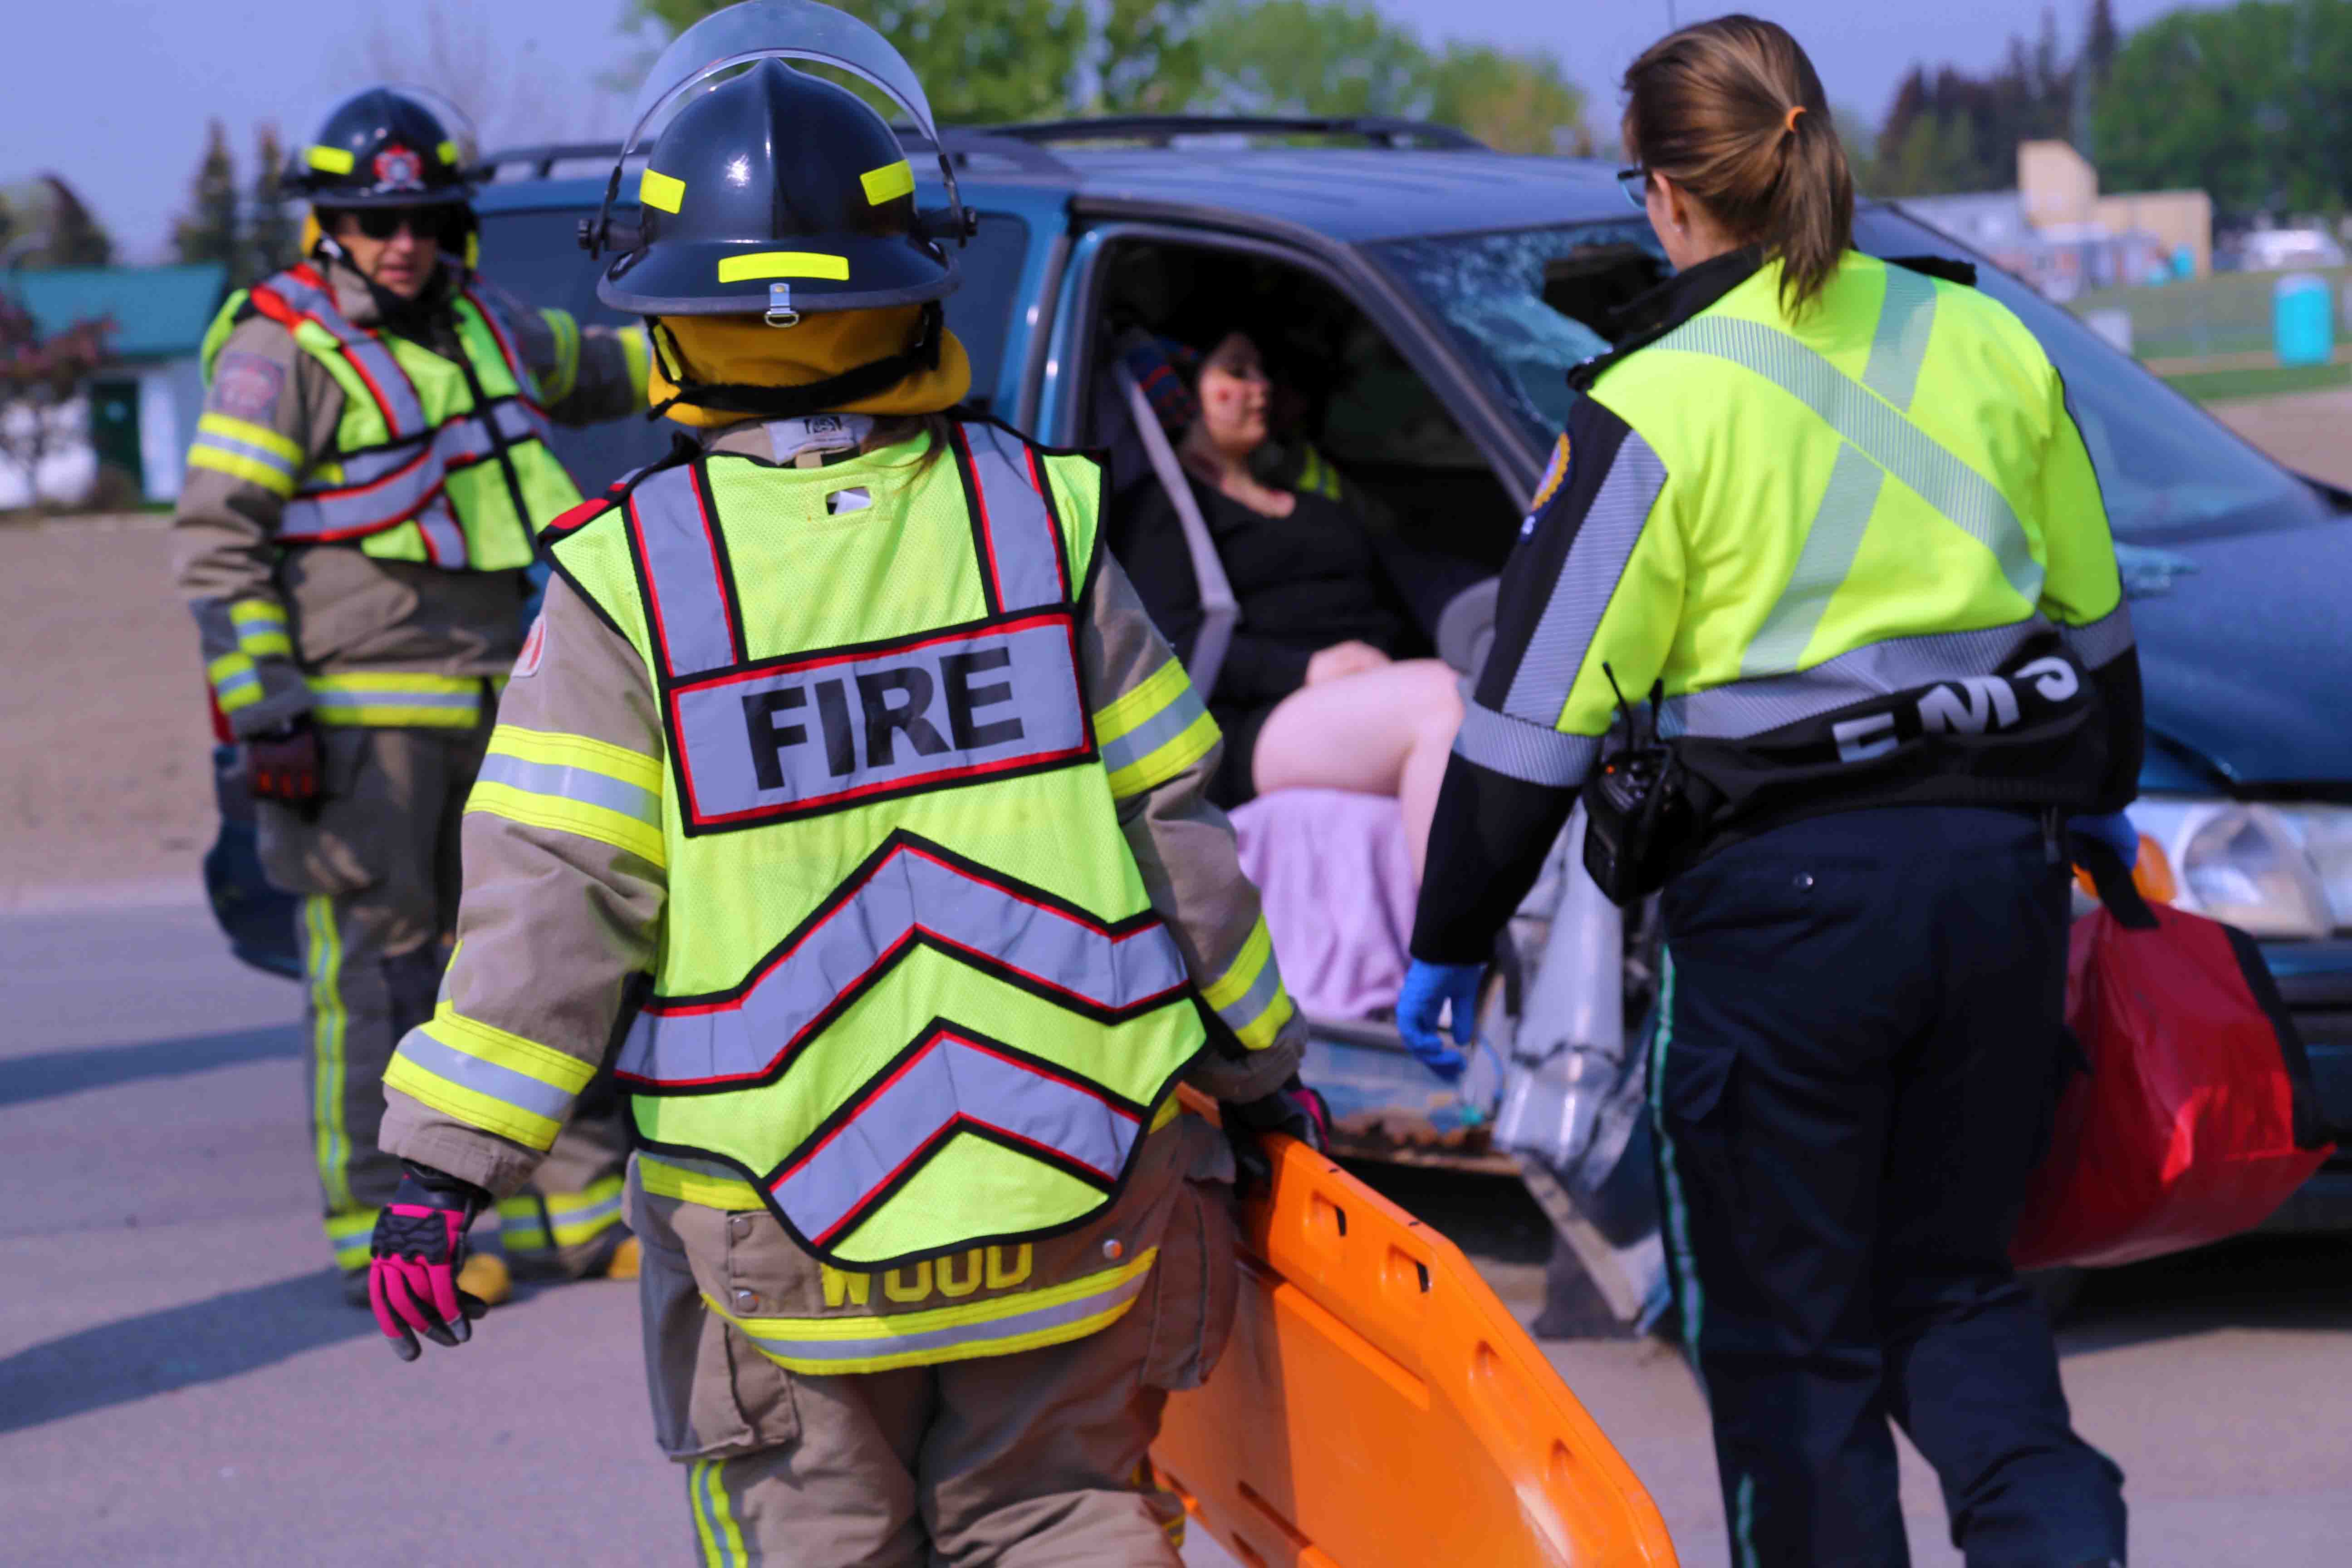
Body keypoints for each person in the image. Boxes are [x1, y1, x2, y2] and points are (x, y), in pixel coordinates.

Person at [361, 11, 1323, 1562]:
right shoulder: (1040, 523)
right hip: (1074, 1198)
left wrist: (438, 1167)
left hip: (786, 1232)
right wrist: (1269, 1071)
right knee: (1071, 1515)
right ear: (916, 283)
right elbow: (1180, 844)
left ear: (664, 316)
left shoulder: (633, 582)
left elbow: (551, 905)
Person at [1398, 16, 2133, 1568]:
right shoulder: (1983, 336)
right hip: (1994, 890)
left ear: (1665, 195)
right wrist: (2082, 811)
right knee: (1955, 1288)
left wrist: (1448, 934)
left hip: (1783, 924)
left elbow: (1531, 719)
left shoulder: (1654, 405)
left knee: (1793, 1355)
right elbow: (2099, 636)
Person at [172, 85, 651, 1305]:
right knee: (382, 983)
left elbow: (609, 368)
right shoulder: (281, 349)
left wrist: (743, 326)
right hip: (357, 731)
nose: (402, 244)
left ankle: (585, 1217)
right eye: (374, 222)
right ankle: (390, 1230)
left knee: (549, 952)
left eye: (426, 220)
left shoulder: (485, 323)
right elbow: (216, 544)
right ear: (328, 225)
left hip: (506, 697)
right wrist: (265, 709)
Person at [1112, 328, 1464, 877]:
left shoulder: (1314, 500)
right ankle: (1450, 955)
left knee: (1478, 690)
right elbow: (1164, 647)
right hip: (1250, 722)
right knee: (1446, 700)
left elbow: (1414, 577)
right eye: (1237, 372)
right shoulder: (1164, 509)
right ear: (1185, 388)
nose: (1261, 388)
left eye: (1262, 372)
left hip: (1367, 689)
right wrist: (1308, 669)